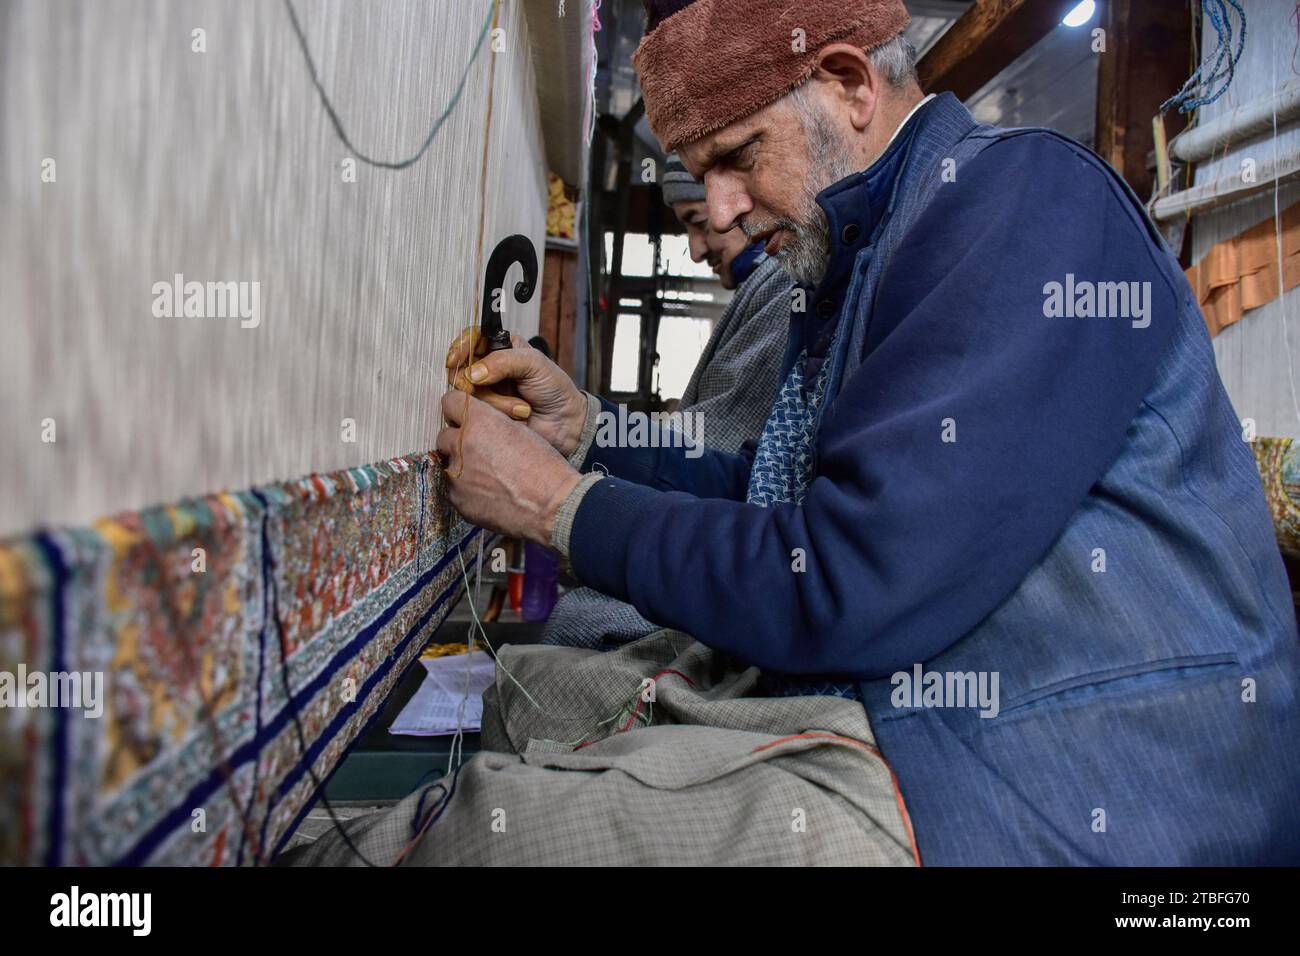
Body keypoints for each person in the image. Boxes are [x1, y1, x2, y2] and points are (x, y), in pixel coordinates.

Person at [296, 0, 1300, 866]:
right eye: (699, 172)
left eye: (735, 157)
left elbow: (845, 577)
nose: (719, 209)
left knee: (502, 835)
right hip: (947, 704)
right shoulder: (867, 247)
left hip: (1089, 773)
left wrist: (558, 505)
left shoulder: (1024, 207)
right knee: (533, 690)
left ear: (848, 81)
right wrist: (589, 438)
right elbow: (785, 499)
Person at [541, 153, 791, 649]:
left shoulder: (783, 287)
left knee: (575, 628)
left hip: (744, 555)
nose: (698, 250)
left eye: (698, 224)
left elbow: (713, 448)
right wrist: (579, 422)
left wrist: (571, 446)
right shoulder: (764, 289)